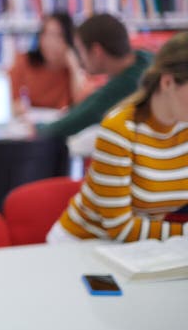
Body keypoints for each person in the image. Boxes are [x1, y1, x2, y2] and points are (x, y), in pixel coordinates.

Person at [47, 31, 188, 242]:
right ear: (167, 83)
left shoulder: (183, 126)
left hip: (140, 246)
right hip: (84, 243)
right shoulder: (120, 129)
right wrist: (184, 233)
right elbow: (120, 228)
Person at [36, 13, 152, 138]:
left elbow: (86, 114)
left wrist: (38, 128)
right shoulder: (143, 59)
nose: (80, 58)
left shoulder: (128, 83)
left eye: (80, 50)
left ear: (97, 51)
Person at [8, 12, 88, 112]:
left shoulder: (72, 69)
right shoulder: (24, 61)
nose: (50, 42)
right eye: (45, 34)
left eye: (58, 35)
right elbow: (9, 98)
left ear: (69, 40)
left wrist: (74, 67)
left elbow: (82, 104)